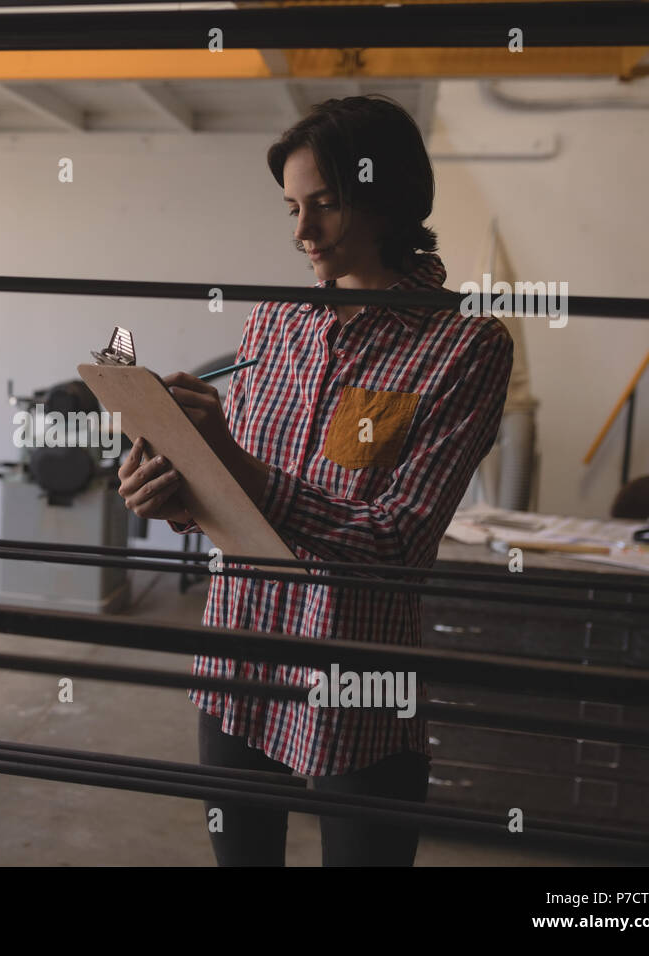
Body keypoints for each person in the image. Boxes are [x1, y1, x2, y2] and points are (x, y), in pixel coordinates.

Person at [116, 95, 514, 866]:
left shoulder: (465, 346)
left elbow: (397, 538)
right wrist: (175, 490)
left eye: (326, 205)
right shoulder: (276, 320)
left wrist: (233, 462)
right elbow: (239, 494)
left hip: (356, 687)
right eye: (293, 207)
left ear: (391, 198)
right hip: (241, 662)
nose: (302, 232)